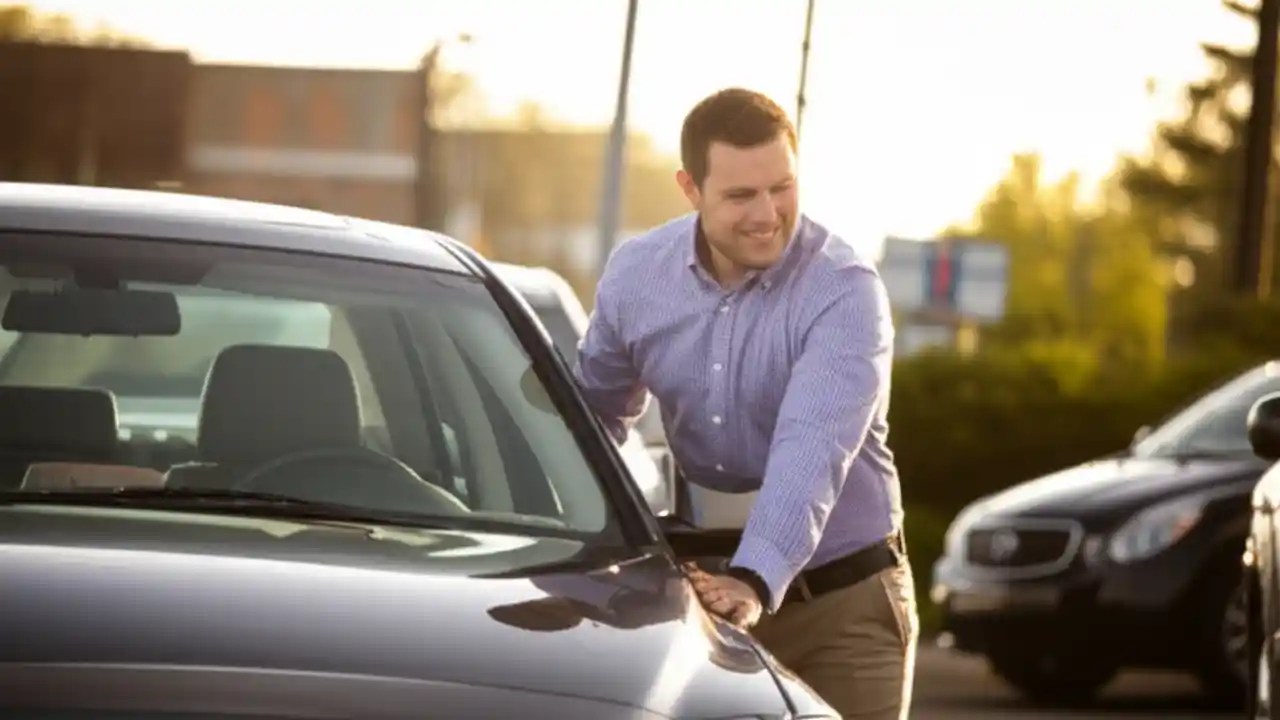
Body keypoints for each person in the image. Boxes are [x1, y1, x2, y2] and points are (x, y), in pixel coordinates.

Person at [574, 87, 917, 719]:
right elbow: (590, 418)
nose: (767, 214)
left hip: (844, 602)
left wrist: (756, 577)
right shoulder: (636, 275)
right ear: (690, 188)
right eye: (740, 195)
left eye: (781, 187)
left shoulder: (844, 291)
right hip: (700, 602)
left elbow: (811, 448)